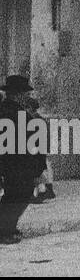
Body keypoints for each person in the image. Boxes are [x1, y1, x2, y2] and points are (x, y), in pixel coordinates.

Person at [0, 76, 45, 244]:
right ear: (17, 94)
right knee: (17, 196)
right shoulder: (16, 112)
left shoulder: (9, 110)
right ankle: (5, 231)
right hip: (18, 162)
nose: (27, 95)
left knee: (15, 195)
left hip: (12, 161)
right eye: (25, 92)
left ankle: (8, 227)